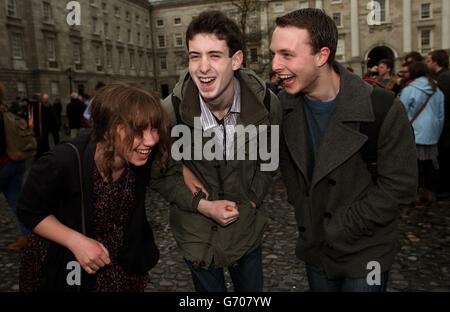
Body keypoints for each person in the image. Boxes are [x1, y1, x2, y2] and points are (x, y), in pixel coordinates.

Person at [270, 8, 417, 292]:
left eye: (286, 55)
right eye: (274, 54)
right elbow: (286, 169)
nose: (275, 64)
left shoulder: (383, 108)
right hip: (315, 251)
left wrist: (340, 226)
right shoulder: (283, 107)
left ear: (322, 56)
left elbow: (400, 187)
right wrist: (305, 213)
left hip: (367, 251)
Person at [151, 10, 281, 292]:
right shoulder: (168, 113)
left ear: (236, 60)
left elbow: (270, 160)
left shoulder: (268, 106)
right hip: (197, 238)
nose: (202, 67)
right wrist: (202, 205)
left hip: (246, 231)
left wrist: (254, 198)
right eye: (195, 56)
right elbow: (159, 175)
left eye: (214, 55)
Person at [17, 82, 170, 292]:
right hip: (65, 267)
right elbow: (28, 210)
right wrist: (75, 241)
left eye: (154, 128)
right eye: (138, 130)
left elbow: (171, 172)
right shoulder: (63, 161)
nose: (151, 140)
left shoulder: (141, 157)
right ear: (108, 130)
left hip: (119, 265)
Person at [401, 62, 445, 202]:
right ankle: (430, 191)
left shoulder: (410, 89)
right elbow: (441, 114)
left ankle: (415, 193)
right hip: (432, 132)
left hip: (415, 131)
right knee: (429, 164)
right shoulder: (436, 89)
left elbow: (401, 112)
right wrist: (436, 132)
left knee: (415, 165)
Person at [0, 82, 29, 251]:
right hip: (16, 161)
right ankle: (27, 235)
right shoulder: (6, 113)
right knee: (16, 201)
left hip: (4, 164)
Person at [426, 50, 450, 200]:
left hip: (446, 126)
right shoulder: (442, 77)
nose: (427, 64)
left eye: (429, 61)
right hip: (444, 125)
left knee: (446, 159)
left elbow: (442, 105)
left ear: (435, 62)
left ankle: (446, 188)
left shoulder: (444, 79)